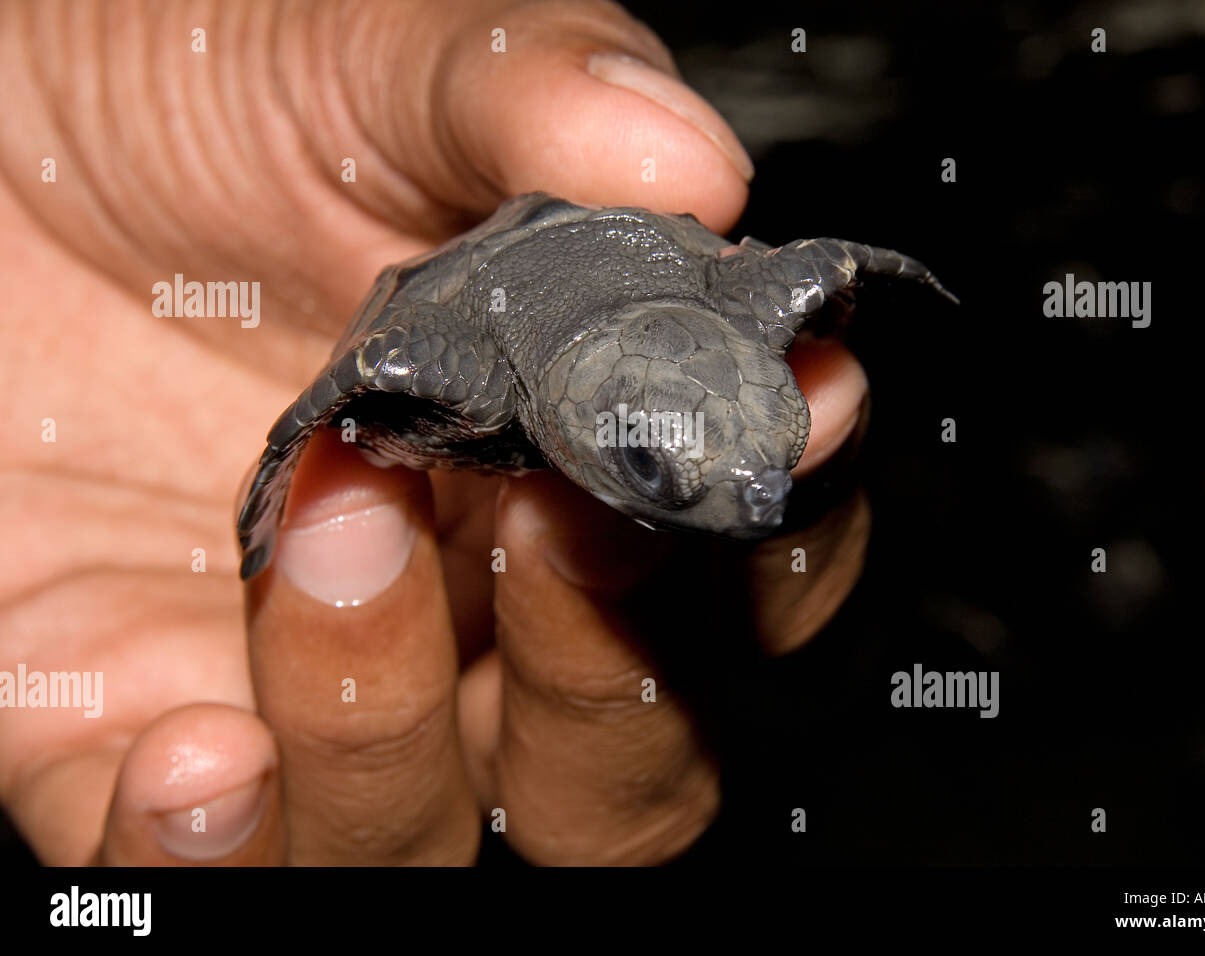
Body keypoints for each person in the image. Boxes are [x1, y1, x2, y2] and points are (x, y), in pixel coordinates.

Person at [0, 0, 869, 865]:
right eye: (651, 466)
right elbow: (350, 377)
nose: (755, 497)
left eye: (772, 450)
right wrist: (277, 489)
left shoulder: (737, 299)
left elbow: (819, 269)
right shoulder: (464, 369)